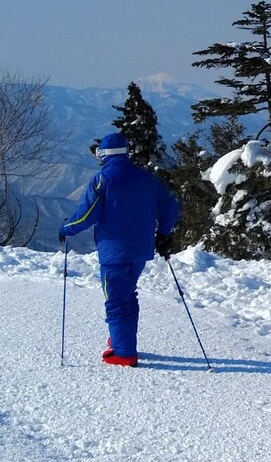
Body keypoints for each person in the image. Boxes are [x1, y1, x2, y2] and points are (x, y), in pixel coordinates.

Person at [60, 131, 181, 367]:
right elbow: (170, 205)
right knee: (127, 295)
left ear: (103, 154)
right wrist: (164, 234)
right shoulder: (147, 179)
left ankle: (124, 353)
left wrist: (66, 228)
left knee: (116, 300)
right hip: (141, 250)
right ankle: (121, 339)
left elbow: (86, 215)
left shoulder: (103, 179)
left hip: (114, 251)